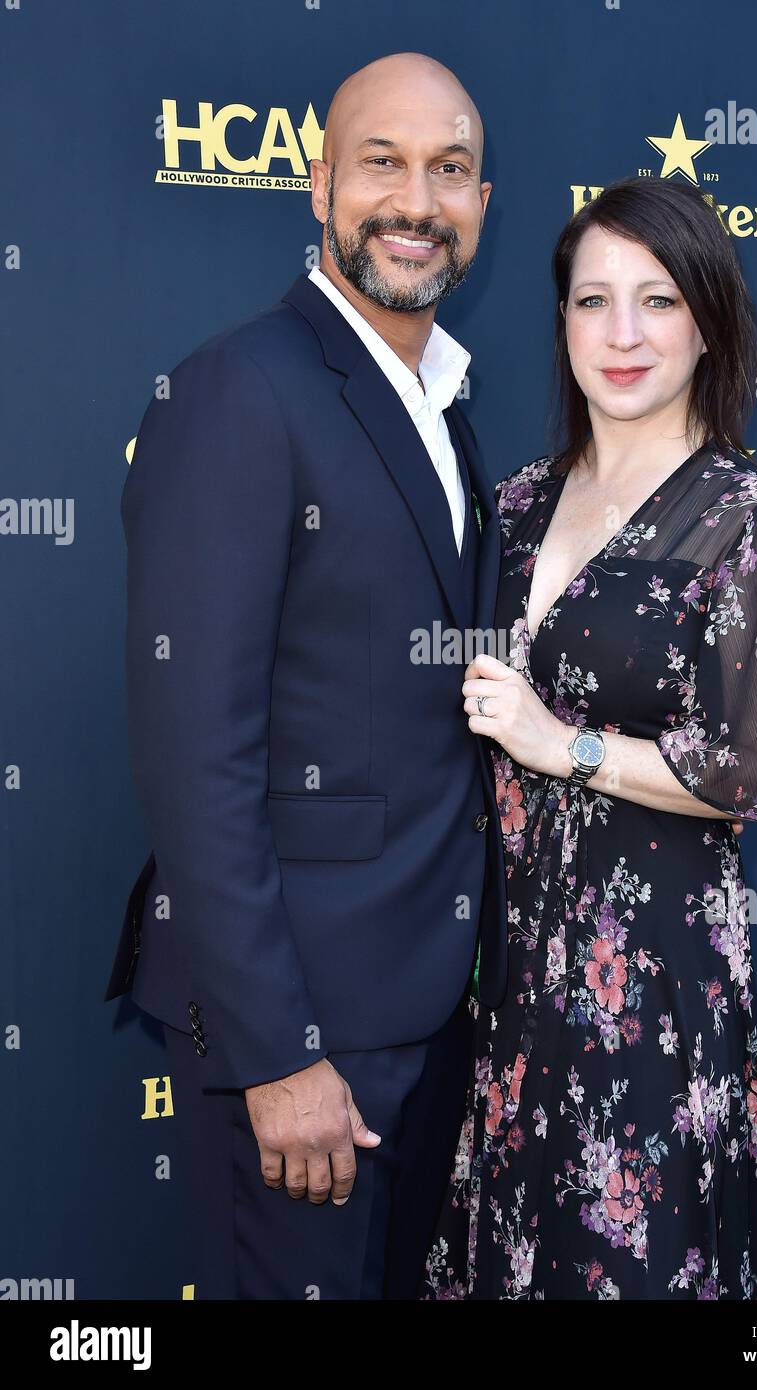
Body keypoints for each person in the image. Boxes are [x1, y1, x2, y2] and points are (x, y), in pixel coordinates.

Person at [103, 51, 507, 1300]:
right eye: (381, 163)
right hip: (300, 1030)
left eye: (449, 170)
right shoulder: (243, 390)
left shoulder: (441, 406)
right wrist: (279, 1056)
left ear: (482, 206)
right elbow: (194, 752)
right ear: (319, 183)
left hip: (424, 1009)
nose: (415, 200)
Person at [421, 176, 757, 1300]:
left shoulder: (750, 520)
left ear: (708, 320)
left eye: (656, 301)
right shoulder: (512, 504)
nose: (621, 335)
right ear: (558, 320)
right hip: (501, 985)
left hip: (650, 993)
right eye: (591, 301)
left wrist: (556, 741)